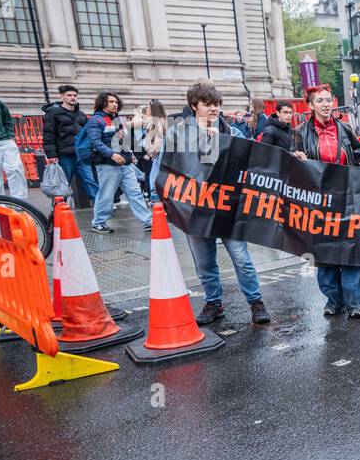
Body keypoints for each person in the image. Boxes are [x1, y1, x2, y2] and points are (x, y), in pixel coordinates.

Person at [164, 80, 270, 326]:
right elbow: (165, 167)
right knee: (204, 261)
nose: (213, 109)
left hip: (227, 207)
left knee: (241, 257)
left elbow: (252, 160)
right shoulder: (178, 133)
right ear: (194, 106)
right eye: (207, 105)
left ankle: (255, 302)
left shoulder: (232, 133)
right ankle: (214, 303)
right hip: (194, 208)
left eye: (217, 105)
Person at [294, 86, 360, 317]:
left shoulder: (344, 129)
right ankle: (334, 300)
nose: (326, 104)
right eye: (320, 101)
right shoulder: (301, 132)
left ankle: (357, 302)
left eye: (328, 100)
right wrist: (297, 159)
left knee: (352, 249)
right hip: (318, 202)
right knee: (324, 252)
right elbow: (292, 167)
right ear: (310, 105)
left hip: (347, 198)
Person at [85, 92, 152, 234]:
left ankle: (148, 221)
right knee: (106, 194)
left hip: (125, 163)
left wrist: (131, 155)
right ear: (103, 103)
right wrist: (112, 154)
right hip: (107, 164)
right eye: (110, 102)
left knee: (135, 192)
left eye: (115, 102)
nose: (114, 104)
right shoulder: (96, 120)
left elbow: (123, 140)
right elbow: (95, 141)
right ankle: (98, 223)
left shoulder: (118, 119)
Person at [40, 83, 95, 203]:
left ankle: (102, 208)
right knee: (63, 185)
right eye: (69, 95)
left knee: (91, 181)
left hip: (82, 154)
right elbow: (49, 135)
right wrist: (51, 155)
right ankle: (57, 213)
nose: (73, 97)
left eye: (75, 95)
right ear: (62, 97)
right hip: (65, 155)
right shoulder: (53, 113)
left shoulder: (81, 114)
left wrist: (90, 149)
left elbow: (88, 133)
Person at [144, 100, 168, 203]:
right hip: (163, 152)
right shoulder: (163, 120)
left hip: (158, 154)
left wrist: (151, 153)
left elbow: (158, 139)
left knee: (154, 177)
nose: (147, 109)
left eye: (149, 108)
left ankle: (155, 200)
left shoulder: (156, 122)